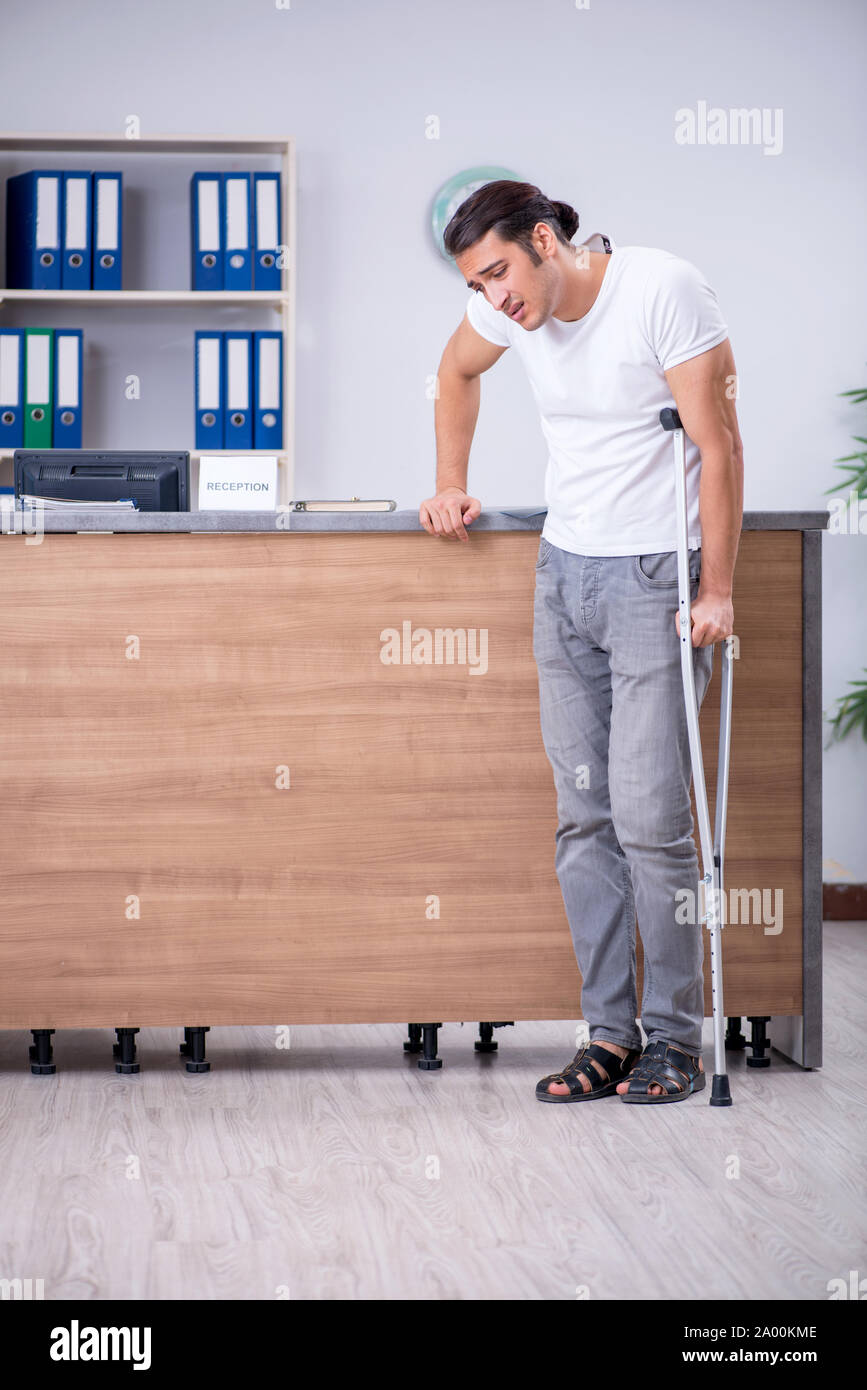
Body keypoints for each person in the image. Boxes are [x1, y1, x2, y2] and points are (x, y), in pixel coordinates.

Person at [419, 181, 743, 1104]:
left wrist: (715, 588)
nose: (493, 300)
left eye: (499, 274)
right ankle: (608, 1034)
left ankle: (674, 1040)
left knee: (649, 820)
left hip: (657, 582)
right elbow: (454, 371)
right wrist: (450, 480)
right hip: (565, 578)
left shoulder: (659, 289)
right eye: (476, 285)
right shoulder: (505, 313)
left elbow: (717, 444)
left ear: (545, 240)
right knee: (583, 821)